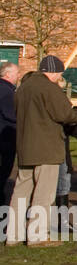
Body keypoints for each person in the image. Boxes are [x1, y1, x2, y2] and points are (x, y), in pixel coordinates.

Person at [11, 55, 77, 247]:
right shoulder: (49, 88)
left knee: (21, 192)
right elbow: (65, 114)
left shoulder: (23, 88)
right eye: (60, 74)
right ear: (54, 72)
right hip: (46, 149)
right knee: (43, 194)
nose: (59, 77)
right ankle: (36, 236)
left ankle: (13, 234)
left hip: (25, 147)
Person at [0, 61, 18, 202]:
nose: (18, 76)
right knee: (3, 171)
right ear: (8, 74)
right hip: (5, 139)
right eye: (17, 73)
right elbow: (12, 116)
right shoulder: (7, 92)